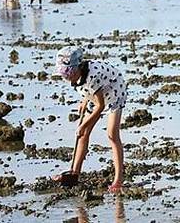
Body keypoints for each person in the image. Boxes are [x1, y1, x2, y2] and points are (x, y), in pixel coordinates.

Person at [51, 47, 127, 193]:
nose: (66, 77)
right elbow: (87, 87)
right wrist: (85, 100)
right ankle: (74, 173)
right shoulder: (79, 76)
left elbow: (100, 106)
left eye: (68, 73)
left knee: (112, 134)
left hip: (114, 90)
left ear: (78, 67)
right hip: (97, 92)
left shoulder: (93, 77)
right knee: (83, 135)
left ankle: (118, 179)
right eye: (63, 73)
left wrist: (83, 124)